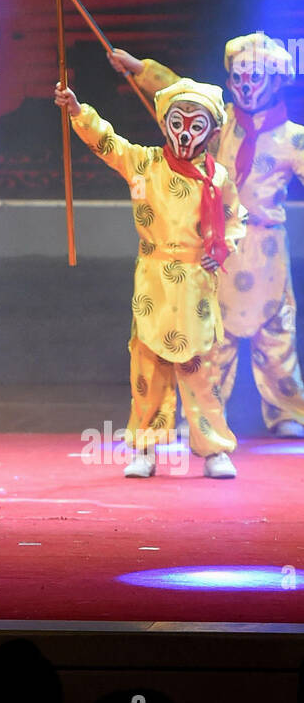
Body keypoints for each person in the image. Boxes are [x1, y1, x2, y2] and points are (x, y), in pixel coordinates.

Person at [110, 34, 304, 437]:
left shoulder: (294, 139)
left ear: (277, 80)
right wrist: (140, 70)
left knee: (276, 329)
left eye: (256, 78)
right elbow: (180, 90)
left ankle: (286, 409)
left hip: (266, 246)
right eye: (239, 78)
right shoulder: (222, 122)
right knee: (215, 334)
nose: (246, 87)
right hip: (217, 243)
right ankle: (206, 419)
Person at [55, 75, 246, 478]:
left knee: (200, 368)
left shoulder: (217, 179)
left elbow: (234, 220)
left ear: (211, 131)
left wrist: (221, 248)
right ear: (165, 124)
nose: (185, 132)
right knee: (148, 367)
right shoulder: (144, 164)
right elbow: (109, 144)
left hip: (196, 281)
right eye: (178, 122)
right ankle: (145, 447)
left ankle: (214, 450)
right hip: (154, 280)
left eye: (196, 125)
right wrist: (77, 111)